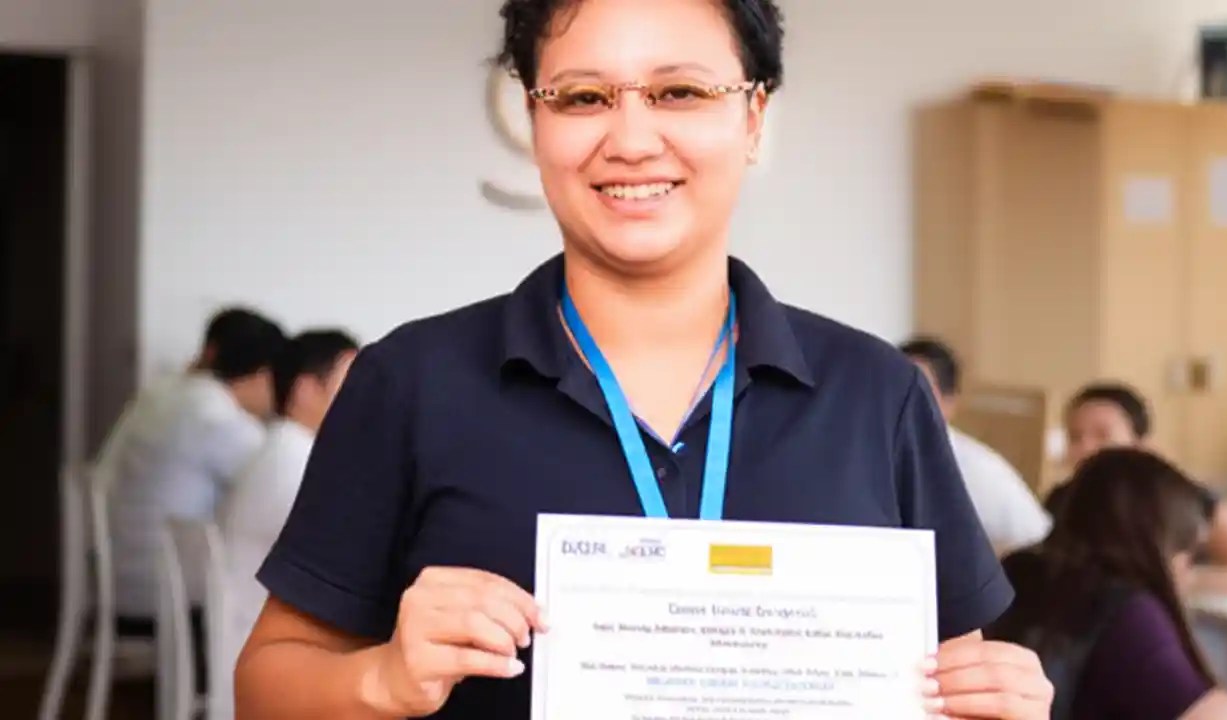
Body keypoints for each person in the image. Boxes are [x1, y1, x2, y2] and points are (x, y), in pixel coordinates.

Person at [235, 1, 1052, 718]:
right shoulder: (413, 381)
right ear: (535, 116)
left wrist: (998, 705)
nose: (629, 138)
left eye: (680, 92)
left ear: (755, 116)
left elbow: (952, 678)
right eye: (583, 97)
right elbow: (263, 686)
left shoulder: (876, 396)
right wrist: (383, 679)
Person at [987, 448, 1227, 719]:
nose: (1188, 573)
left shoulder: (1016, 571)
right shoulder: (1129, 615)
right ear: (1161, 546)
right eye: (1189, 554)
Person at [99, 307, 285, 625]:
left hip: (123, 574)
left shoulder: (161, 393)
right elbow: (278, 480)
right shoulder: (216, 418)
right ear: (264, 375)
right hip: (163, 592)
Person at [219, 330, 359, 708]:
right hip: (272, 659)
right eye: (352, 383)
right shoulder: (297, 467)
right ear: (305, 390)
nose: (367, 401)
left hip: (242, 633)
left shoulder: (277, 451)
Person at [1056, 382, 1227, 594]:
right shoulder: (1061, 500)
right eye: (1075, 438)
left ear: (1140, 446)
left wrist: (1177, 579)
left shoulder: (1190, 499)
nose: (1084, 449)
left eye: (1102, 435)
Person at [900, 336, 1052, 555]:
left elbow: (1037, 545)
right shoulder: (868, 459)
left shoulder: (979, 468)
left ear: (950, 403)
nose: (902, 403)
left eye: (917, 393)